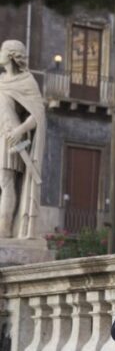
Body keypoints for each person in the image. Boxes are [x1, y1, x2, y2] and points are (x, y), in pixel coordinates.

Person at [0, 39, 45, 239]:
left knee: (6, 183)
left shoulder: (26, 82)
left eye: (1, 50)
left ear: (10, 55)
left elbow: (37, 115)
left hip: (11, 139)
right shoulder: (0, 81)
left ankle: (4, 228)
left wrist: (20, 131)